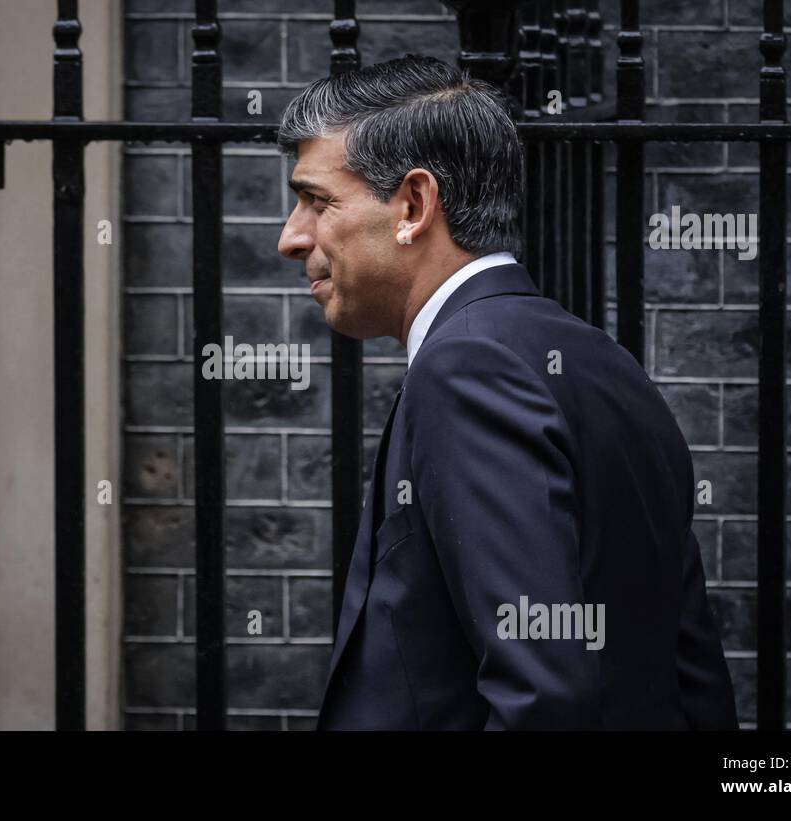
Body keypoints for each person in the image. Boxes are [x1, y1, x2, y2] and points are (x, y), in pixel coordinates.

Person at [276, 55, 738, 730]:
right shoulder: (601, 362)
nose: (292, 237)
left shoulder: (466, 369)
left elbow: (542, 697)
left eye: (317, 201)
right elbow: (692, 677)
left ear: (413, 205)